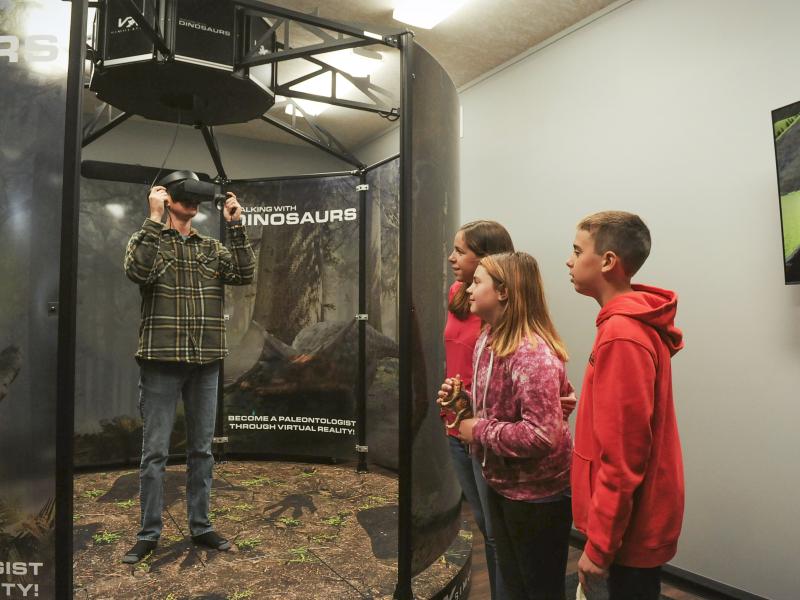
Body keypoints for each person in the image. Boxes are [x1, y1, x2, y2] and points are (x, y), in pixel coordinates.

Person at [121, 173, 255, 564]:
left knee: (201, 450)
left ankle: (201, 526)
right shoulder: (147, 240)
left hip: (206, 362)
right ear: (166, 198)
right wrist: (153, 217)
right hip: (161, 361)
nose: (193, 203)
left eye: (198, 198)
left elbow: (244, 273)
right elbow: (137, 271)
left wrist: (236, 225)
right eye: (186, 195)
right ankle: (148, 533)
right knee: (156, 453)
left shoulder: (211, 249)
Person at [441, 252, 574, 600]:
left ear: (503, 292)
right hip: (503, 485)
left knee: (539, 589)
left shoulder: (530, 353)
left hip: (537, 496)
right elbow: (499, 404)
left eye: (477, 282)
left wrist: (478, 429)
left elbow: (542, 435)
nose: (468, 289)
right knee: (514, 584)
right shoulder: (488, 338)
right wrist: (463, 401)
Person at [566, 211, 684, 599]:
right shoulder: (625, 325)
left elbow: (623, 455)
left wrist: (598, 548)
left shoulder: (622, 335)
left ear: (608, 262)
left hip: (627, 534)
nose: (569, 260)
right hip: (629, 526)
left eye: (577, 250)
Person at [443, 220, 515, 599]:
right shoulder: (458, 294)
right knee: (485, 525)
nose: (452, 257)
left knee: (495, 527)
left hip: (486, 430)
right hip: (456, 426)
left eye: (460, 251)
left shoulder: (505, 312)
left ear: (487, 259)